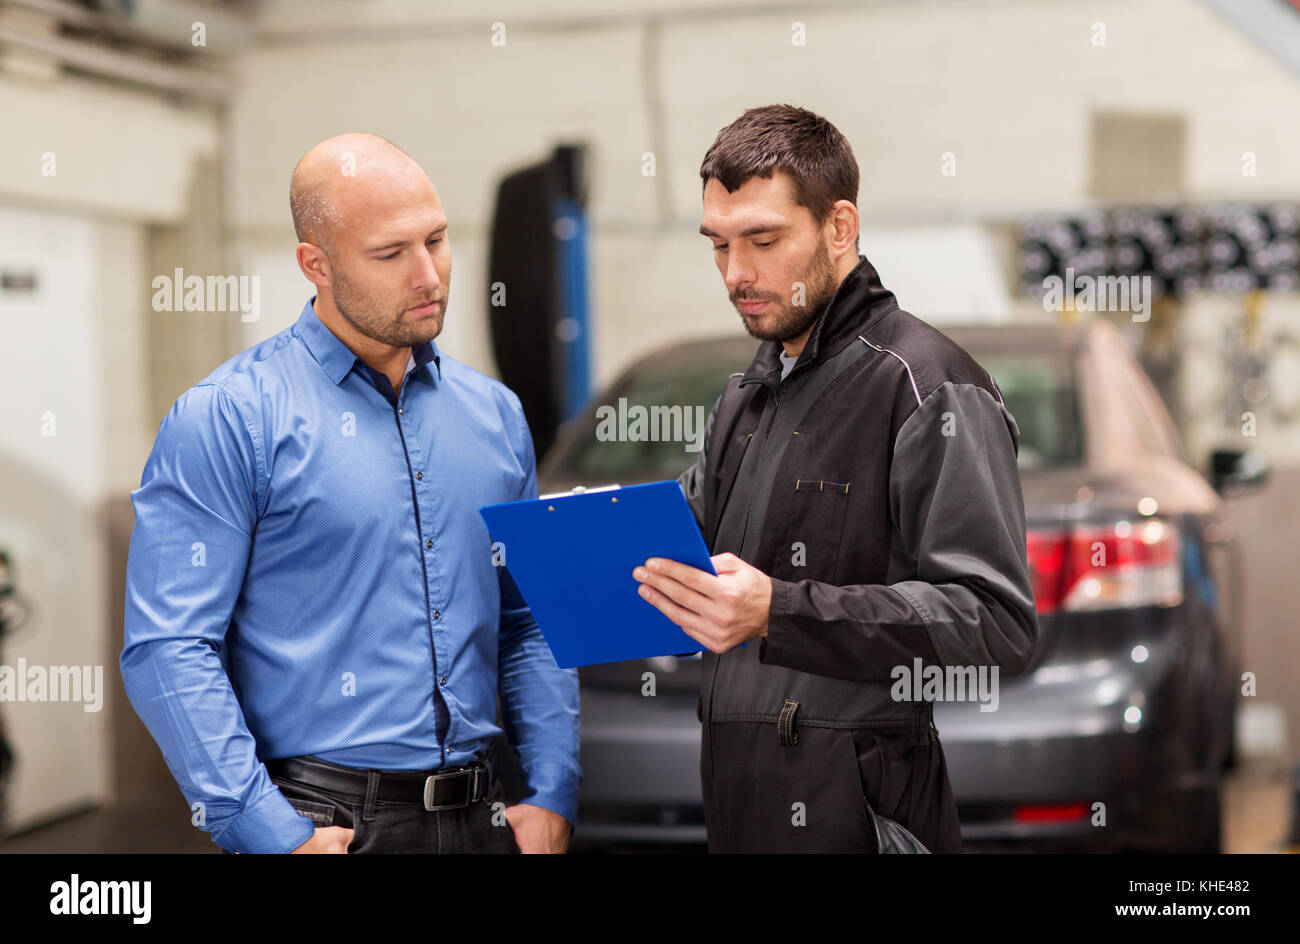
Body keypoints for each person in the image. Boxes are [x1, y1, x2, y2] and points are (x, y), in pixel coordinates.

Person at [121, 133, 580, 854]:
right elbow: (169, 647)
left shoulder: (495, 415)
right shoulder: (230, 417)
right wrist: (267, 832)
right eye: (391, 253)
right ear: (317, 264)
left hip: (487, 818)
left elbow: (529, 620)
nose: (428, 273)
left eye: (437, 239)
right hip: (323, 822)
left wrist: (553, 790)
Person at [633, 105, 1038, 853]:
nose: (736, 274)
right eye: (718, 245)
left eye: (762, 240)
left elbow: (995, 624)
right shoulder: (746, 397)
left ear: (840, 227)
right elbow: (672, 545)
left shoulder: (927, 387)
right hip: (742, 804)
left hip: (862, 816)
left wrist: (777, 612)